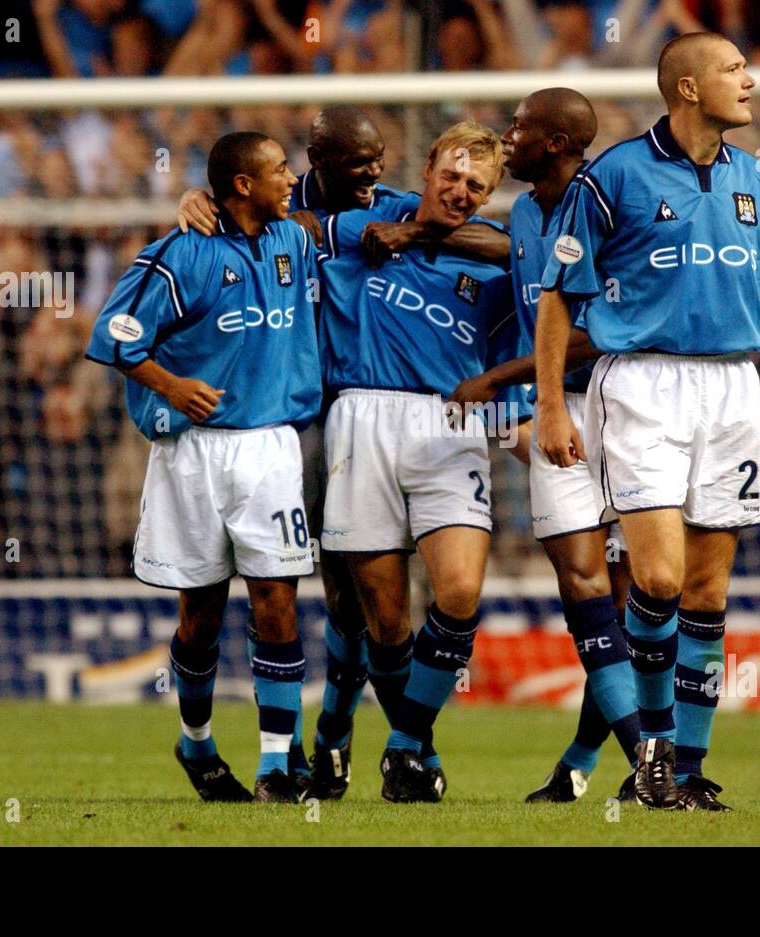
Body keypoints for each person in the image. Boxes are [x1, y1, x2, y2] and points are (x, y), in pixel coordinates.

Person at [177, 105, 508, 799]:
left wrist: (412, 228)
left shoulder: (385, 209)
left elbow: (497, 244)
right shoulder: (282, 209)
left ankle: (347, 735)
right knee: (314, 598)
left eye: (379, 159)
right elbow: (262, 219)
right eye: (359, 162)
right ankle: (290, 739)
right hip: (296, 418)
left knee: (389, 599)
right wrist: (198, 199)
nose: (373, 174)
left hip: (369, 417)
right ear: (316, 161)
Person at [535, 33, 760, 810]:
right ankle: (654, 753)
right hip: (643, 384)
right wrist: (552, 402)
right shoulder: (613, 177)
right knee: (656, 578)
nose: (750, 80)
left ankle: (685, 768)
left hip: (734, 388)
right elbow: (559, 293)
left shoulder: (758, 185)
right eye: (733, 70)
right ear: (687, 89)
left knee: (707, 591)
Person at [86, 131, 322, 803]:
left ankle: (278, 765)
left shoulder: (296, 239)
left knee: (277, 597)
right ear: (243, 185)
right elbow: (114, 334)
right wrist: (169, 384)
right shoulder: (180, 253)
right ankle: (196, 741)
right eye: (279, 170)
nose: (291, 178)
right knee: (201, 613)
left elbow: (355, 202)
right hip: (192, 450)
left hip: (271, 444)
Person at [316, 120, 520, 802]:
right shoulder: (365, 217)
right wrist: (199, 205)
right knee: (385, 618)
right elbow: (286, 223)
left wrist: (517, 417)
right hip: (360, 416)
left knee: (459, 592)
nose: (460, 192)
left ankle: (403, 739)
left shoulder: (494, 263)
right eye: (451, 176)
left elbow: (522, 252)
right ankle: (407, 753)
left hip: (447, 423)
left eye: (477, 186)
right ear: (426, 166)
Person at [447, 88, 641, 804]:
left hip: (627, 406)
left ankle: (585, 762)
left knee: (636, 602)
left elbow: (602, 331)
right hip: (557, 409)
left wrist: (494, 377)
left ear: (557, 142)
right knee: (584, 586)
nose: (509, 134)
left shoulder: (610, 207)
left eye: (522, 126)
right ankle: (649, 759)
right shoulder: (526, 212)